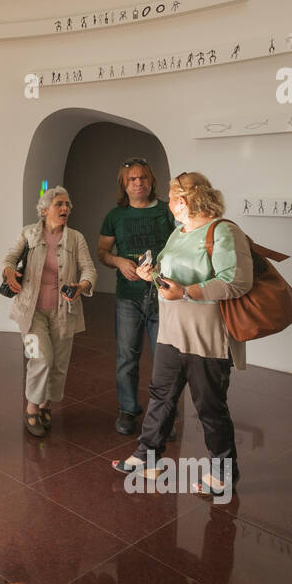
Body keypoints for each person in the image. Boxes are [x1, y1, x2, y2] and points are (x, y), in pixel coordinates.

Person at [112, 173, 253, 497]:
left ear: (185, 199)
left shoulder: (224, 231)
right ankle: (146, 456)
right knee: (161, 396)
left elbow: (237, 281)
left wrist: (188, 292)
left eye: (174, 196)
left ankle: (224, 471)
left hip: (207, 338)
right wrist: (153, 274)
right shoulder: (178, 233)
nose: (171, 203)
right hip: (171, 332)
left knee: (210, 407)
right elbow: (168, 278)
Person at [1, 186, 97, 438]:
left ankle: (46, 405)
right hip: (30, 313)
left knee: (59, 364)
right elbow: (10, 258)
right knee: (40, 358)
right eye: (59, 204)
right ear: (45, 210)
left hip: (64, 311)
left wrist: (82, 286)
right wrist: (9, 272)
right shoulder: (29, 233)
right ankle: (32, 408)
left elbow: (89, 269)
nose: (65, 208)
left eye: (68, 204)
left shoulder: (76, 238)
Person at [98, 158, 177, 436]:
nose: (138, 183)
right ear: (124, 184)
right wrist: (119, 262)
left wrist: (162, 268)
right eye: (132, 179)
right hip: (128, 298)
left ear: (151, 181)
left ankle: (163, 417)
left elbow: (180, 248)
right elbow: (103, 253)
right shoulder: (114, 216)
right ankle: (128, 411)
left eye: (143, 178)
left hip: (164, 297)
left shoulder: (168, 212)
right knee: (126, 358)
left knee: (165, 361)